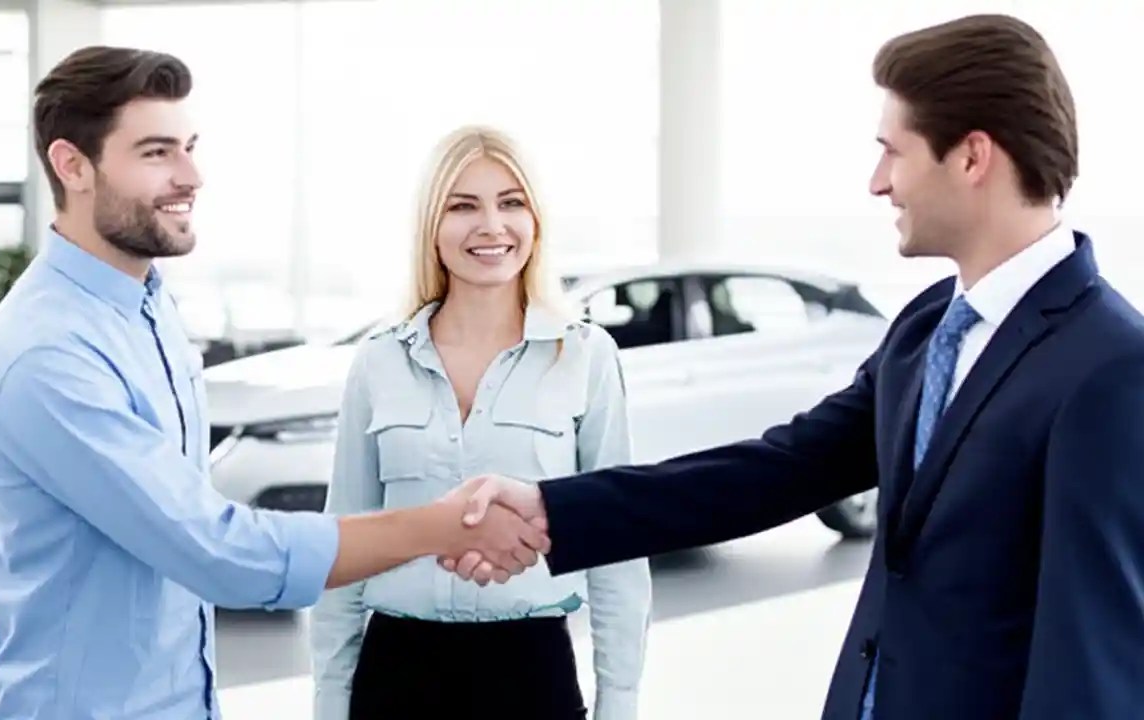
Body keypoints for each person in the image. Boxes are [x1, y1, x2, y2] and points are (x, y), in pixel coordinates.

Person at [443, 14, 1144, 720]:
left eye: (892, 152)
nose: (878, 183)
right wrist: (551, 507)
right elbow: (777, 470)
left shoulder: (1110, 367)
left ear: (971, 158)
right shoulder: (925, 329)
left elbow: (1090, 664)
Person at [0, 47, 547, 720]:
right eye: (157, 153)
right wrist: (446, 526)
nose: (192, 175)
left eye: (189, 146)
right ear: (73, 166)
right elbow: (220, 553)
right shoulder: (46, 354)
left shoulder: (148, 310)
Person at [310, 126, 651, 720]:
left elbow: (617, 551)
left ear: (535, 220)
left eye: (511, 203)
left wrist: (618, 705)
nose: (491, 225)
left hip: (530, 673)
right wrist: (330, 705)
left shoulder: (586, 355)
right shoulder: (379, 360)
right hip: (397, 674)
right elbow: (344, 548)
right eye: (463, 206)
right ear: (431, 228)